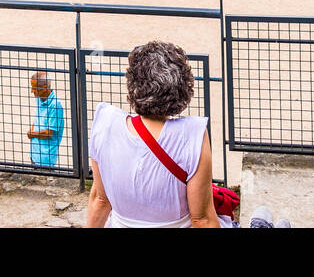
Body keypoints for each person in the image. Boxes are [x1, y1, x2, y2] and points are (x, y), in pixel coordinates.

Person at [86, 41, 217, 228]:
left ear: (133, 83)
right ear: (182, 87)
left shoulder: (105, 123)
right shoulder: (192, 135)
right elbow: (201, 219)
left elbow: (100, 200)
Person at [27, 71, 66, 170]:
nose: (32, 91)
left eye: (34, 88)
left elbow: (49, 133)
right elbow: (37, 118)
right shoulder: (39, 98)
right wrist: (32, 130)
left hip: (45, 159)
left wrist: (32, 134)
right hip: (34, 153)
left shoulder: (55, 105)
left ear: (44, 88)